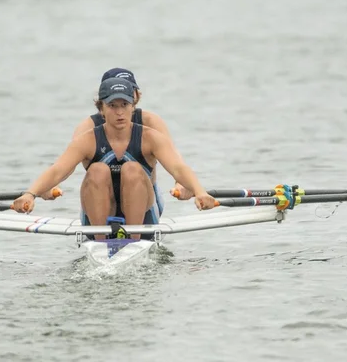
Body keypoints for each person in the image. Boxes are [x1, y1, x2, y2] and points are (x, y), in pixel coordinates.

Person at [12, 77, 215, 238]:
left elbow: (178, 168)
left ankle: (133, 240)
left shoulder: (150, 138)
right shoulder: (87, 140)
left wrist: (199, 192)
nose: (119, 112)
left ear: (133, 106)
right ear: (101, 108)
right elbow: (58, 170)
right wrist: (30, 194)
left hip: (143, 218)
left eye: (124, 104)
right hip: (97, 217)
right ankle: (101, 242)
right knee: (97, 170)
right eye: (112, 106)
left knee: (132, 169)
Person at [72, 68, 194, 200]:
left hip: (144, 197)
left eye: (130, 88)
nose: (122, 93)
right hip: (101, 198)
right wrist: (55, 184)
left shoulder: (151, 121)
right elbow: (67, 164)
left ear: (136, 93)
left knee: (133, 172)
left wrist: (181, 183)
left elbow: (175, 159)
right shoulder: (88, 126)